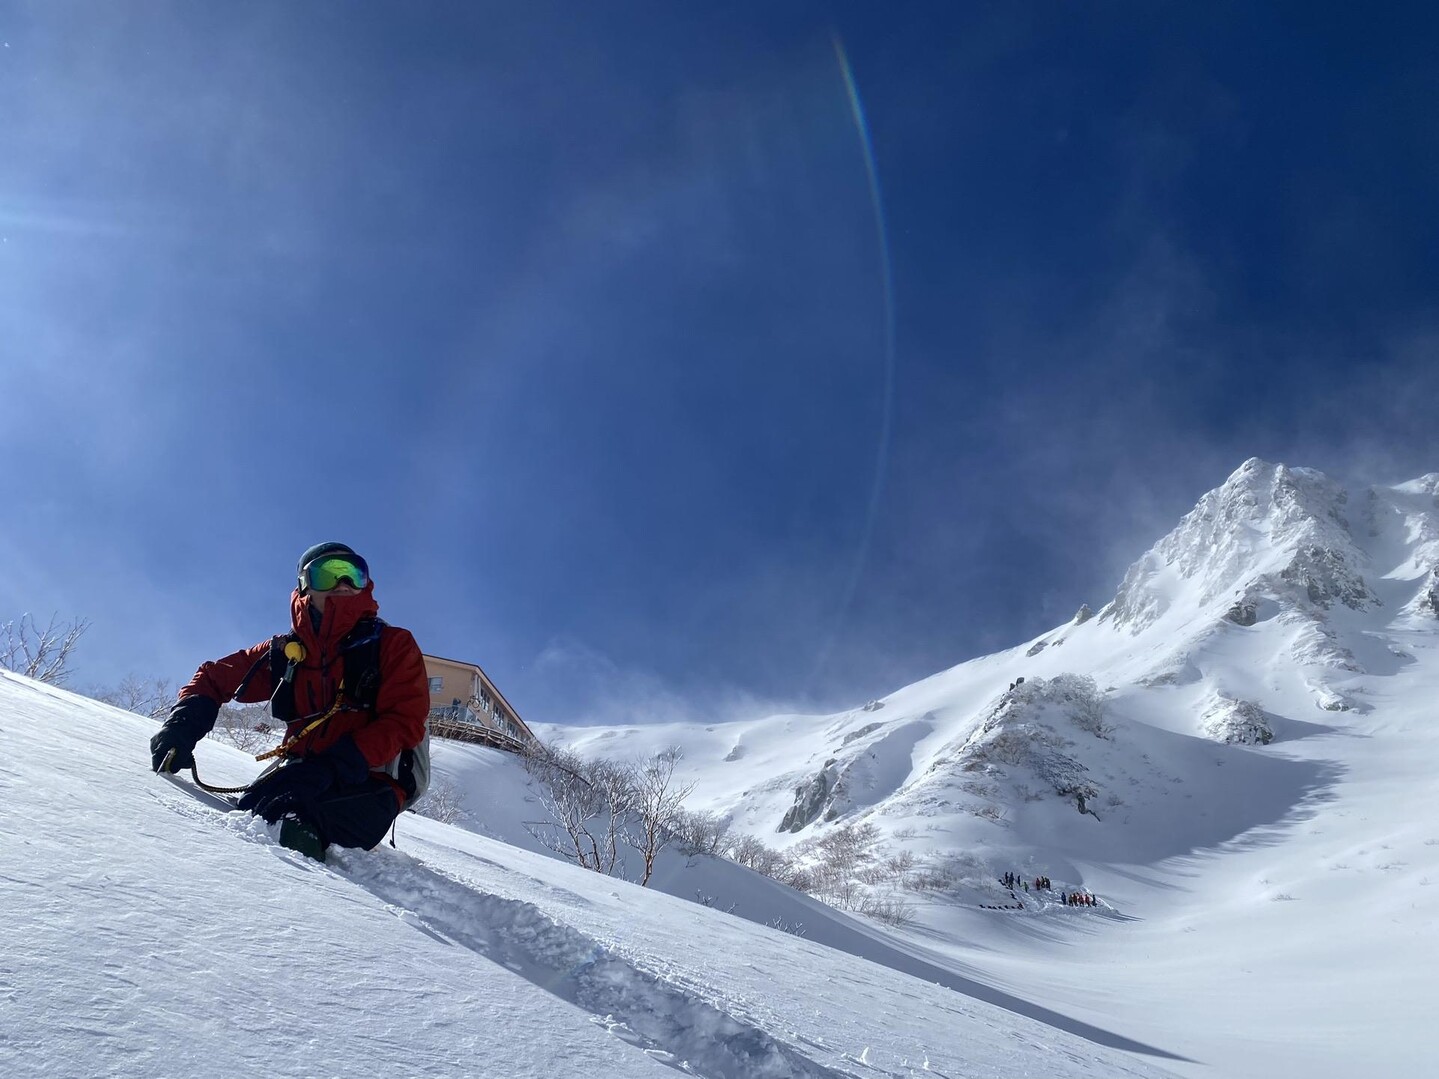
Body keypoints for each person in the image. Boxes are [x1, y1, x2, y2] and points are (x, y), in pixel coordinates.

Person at [150, 542, 429, 856]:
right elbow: (215, 677)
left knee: (302, 821)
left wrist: (337, 763)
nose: (344, 585)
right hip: (298, 772)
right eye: (328, 574)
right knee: (255, 812)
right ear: (304, 587)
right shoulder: (289, 653)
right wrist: (183, 724)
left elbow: (405, 719)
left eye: (353, 574)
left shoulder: (392, 645)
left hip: (371, 780)